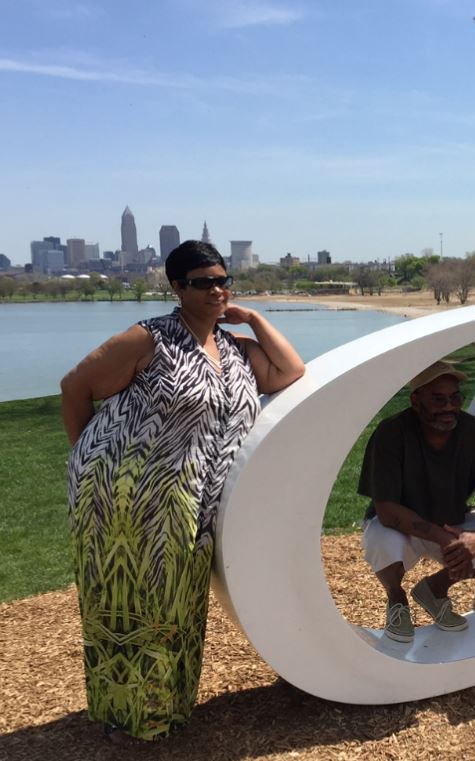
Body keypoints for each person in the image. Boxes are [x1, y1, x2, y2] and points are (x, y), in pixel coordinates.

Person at [60, 240, 305, 743]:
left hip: (193, 499)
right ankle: (126, 717)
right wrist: (93, 457)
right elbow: (74, 386)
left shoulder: (236, 350)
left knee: (179, 604)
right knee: (126, 603)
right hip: (124, 498)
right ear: (176, 287)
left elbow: (290, 371)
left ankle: (165, 710)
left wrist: (254, 318)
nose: (216, 290)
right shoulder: (150, 340)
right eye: (202, 283)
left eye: (222, 280)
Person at [358, 361, 475, 644]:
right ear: (416, 401)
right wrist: (444, 539)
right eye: (438, 399)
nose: (449, 407)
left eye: (455, 397)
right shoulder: (391, 433)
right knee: (383, 543)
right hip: (400, 526)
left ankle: (434, 589)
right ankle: (397, 599)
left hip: (452, 522)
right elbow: (386, 509)